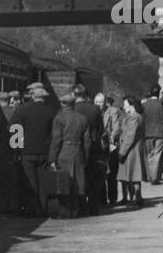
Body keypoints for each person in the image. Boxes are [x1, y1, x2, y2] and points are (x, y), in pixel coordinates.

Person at [14, 84, 56, 217]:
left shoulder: (22, 110)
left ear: (32, 96)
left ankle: (31, 210)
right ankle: (43, 209)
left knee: (30, 181)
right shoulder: (51, 111)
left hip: (27, 151)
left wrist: (17, 149)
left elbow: (14, 129)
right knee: (43, 181)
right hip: (45, 152)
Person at [48, 92, 92, 217]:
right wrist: (85, 157)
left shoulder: (59, 118)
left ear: (62, 104)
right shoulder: (83, 119)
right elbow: (87, 141)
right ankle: (79, 209)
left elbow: (56, 139)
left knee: (64, 182)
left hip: (63, 151)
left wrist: (52, 158)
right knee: (79, 182)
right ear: (74, 104)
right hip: (78, 151)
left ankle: (66, 211)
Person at [73, 84, 105, 213]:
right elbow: (101, 129)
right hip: (93, 147)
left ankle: (81, 206)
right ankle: (94, 206)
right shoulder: (95, 109)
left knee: (80, 178)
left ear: (74, 95)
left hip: (77, 147)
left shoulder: (73, 109)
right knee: (94, 178)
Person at [116, 95, 148, 207]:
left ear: (132, 106)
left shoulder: (133, 117)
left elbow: (130, 136)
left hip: (131, 149)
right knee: (129, 174)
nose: (124, 107)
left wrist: (122, 151)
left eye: (125, 105)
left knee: (133, 174)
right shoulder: (136, 116)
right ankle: (131, 198)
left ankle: (136, 198)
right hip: (133, 148)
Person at [142, 85, 163, 184]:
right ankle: (155, 178)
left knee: (150, 155)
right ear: (159, 93)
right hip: (160, 133)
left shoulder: (144, 105)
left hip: (147, 133)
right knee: (157, 155)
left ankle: (150, 176)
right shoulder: (162, 104)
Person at [102, 93, 123, 203]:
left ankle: (112, 197)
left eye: (101, 102)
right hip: (100, 145)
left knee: (112, 172)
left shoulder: (113, 111)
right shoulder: (96, 111)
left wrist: (111, 138)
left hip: (110, 144)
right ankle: (102, 198)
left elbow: (116, 127)